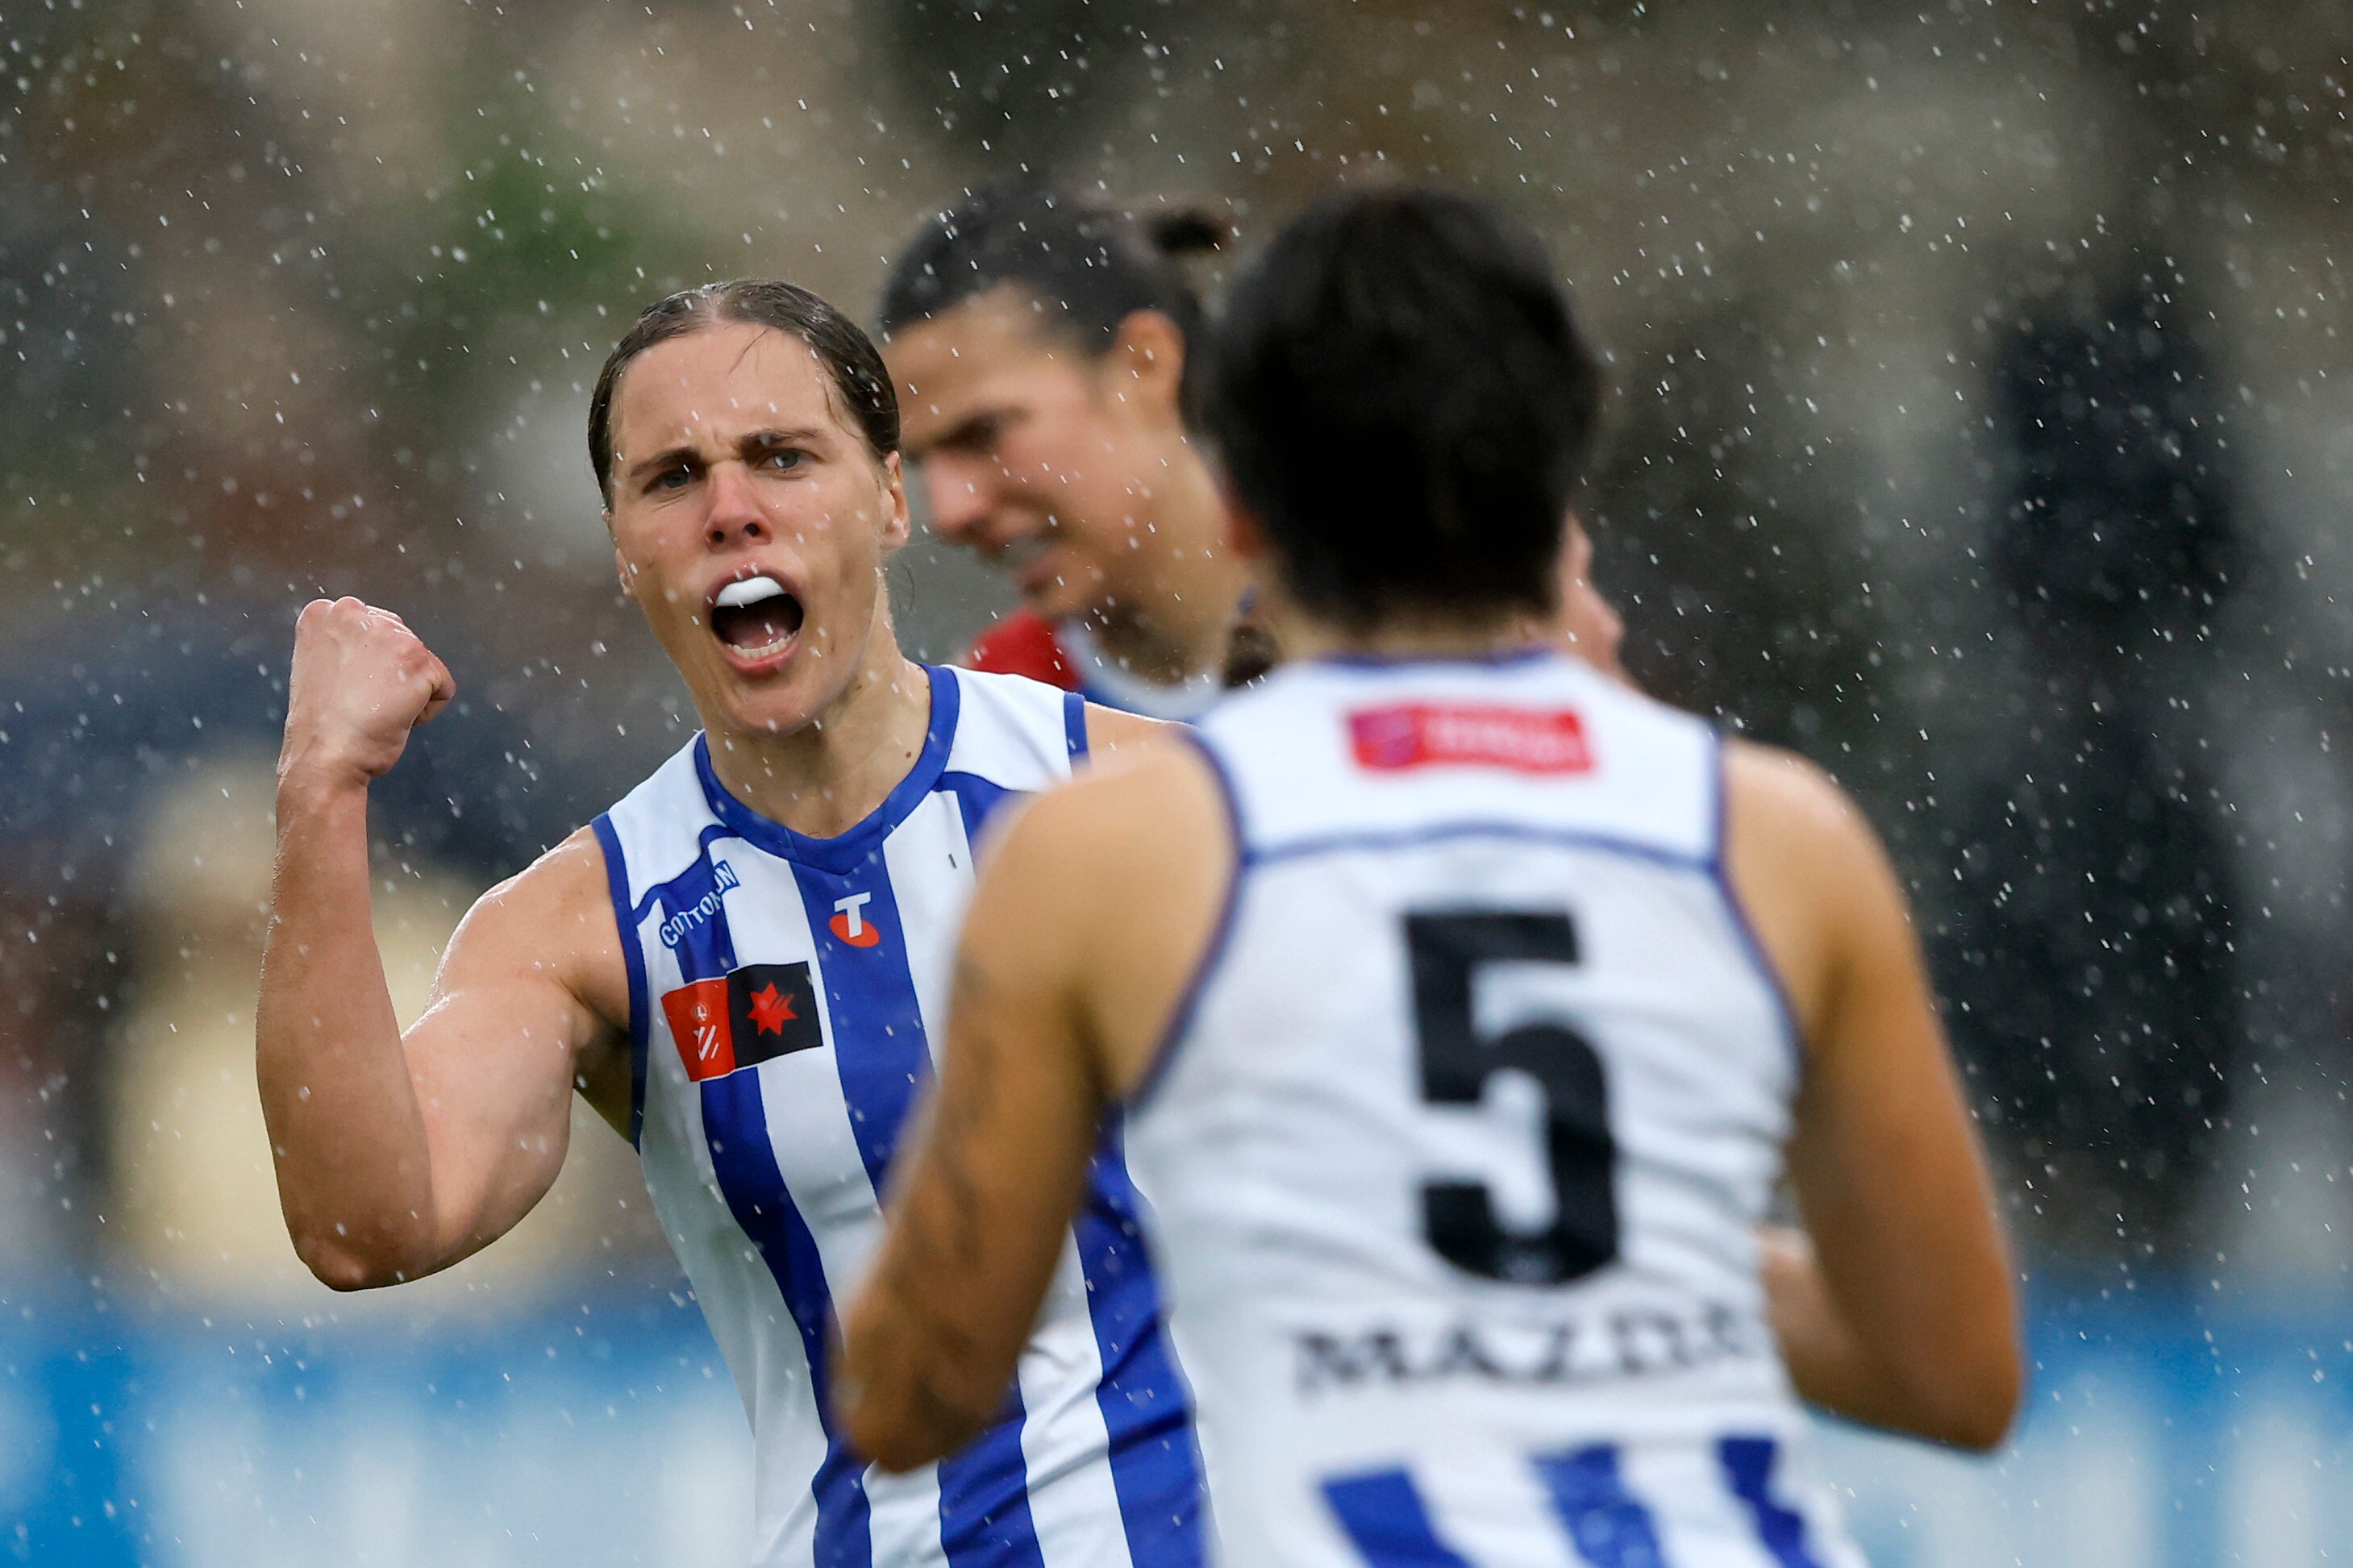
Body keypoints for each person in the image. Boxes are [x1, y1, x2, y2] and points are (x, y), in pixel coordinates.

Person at [838, 189, 2022, 1566]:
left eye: (985, 436)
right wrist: (1585, 1233)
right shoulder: (1776, 835)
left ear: (1240, 501)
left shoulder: (1101, 851)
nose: (957, 502)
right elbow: (1954, 1373)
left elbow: (910, 1388)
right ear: (1555, 476)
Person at [256, 280, 1202, 1567]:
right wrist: (319, 796)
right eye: (672, 477)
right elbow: (369, 1226)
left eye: (781, 457)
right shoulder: (585, 924)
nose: (730, 508)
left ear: (887, 498)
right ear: (623, 543)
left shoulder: (1160, 796)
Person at [880, 181, 1628, 710]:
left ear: (1145, 364)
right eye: (923, 464)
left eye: (984, 434)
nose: (949, 509)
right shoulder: (982, 723)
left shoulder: (1464, 624)